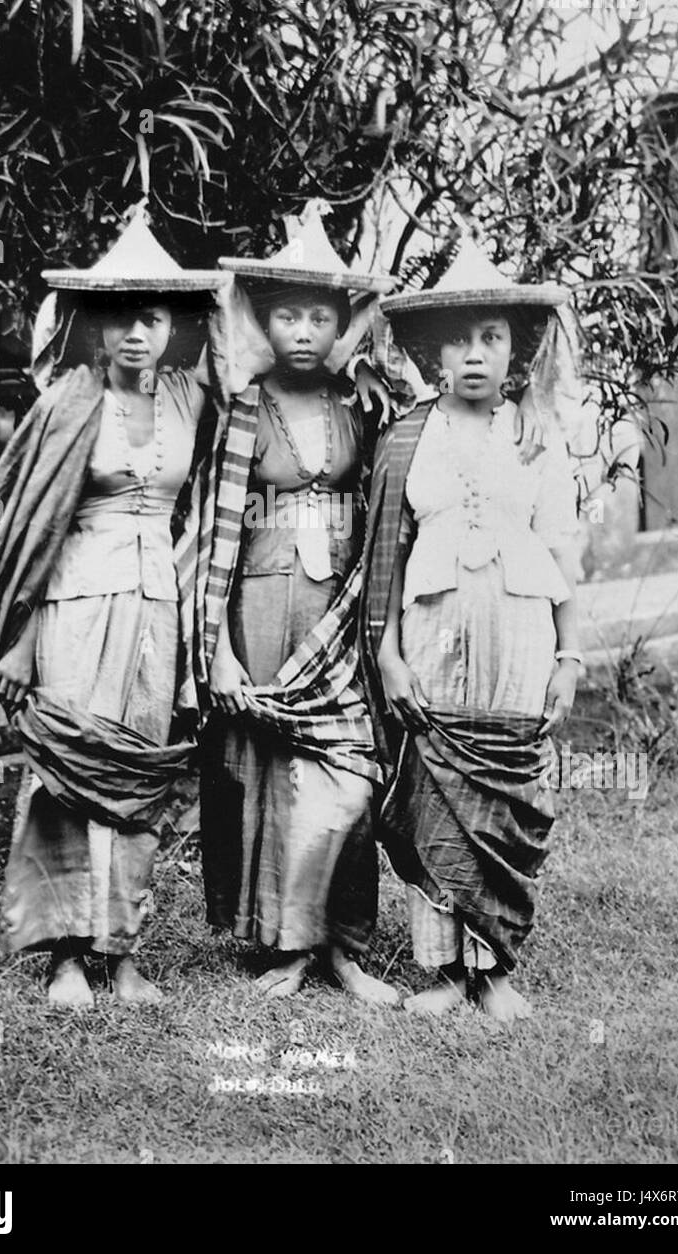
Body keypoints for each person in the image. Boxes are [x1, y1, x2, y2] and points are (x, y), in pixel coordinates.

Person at [0, 205, 258, 1008]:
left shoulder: (190, 399)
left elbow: (249, 343)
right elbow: (25, 527)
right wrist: (23, 640)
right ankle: (66, 953)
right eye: (118, 317)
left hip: (154, 605)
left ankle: (122, 951)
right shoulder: (67, 404)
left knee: (138, 773)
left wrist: (220, 287)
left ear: (175, 326)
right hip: (71, 600)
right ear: (91, 328)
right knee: (68, 769)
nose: (136, 332)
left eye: (153, 315)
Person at [360, 236, 583, 1024]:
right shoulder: (407, 440)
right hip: (433, 636)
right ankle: (446, 971)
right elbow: (383, 559)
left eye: (491, 338)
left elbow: (563, 547)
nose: (476, 355)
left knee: (507, 792)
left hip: (519, 633)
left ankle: (495, 971)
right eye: (459, 341)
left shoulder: (536, 435)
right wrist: (387, 653)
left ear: (514, 349)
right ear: (433, 354)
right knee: (438, 794)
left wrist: (570, 654)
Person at [197, 205, 405, 1003]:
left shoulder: (363, 406)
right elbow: (214, 534)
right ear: (264, 320)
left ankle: (344, 946)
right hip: (259, 602)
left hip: (340, 608)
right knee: (274, 768)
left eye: (322, 316)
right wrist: (214, 644)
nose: (305, 331)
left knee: (346, 761)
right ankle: (286, 945)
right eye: (288, 315)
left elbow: (390, 505)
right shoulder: (243, 407)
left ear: (344, 323)